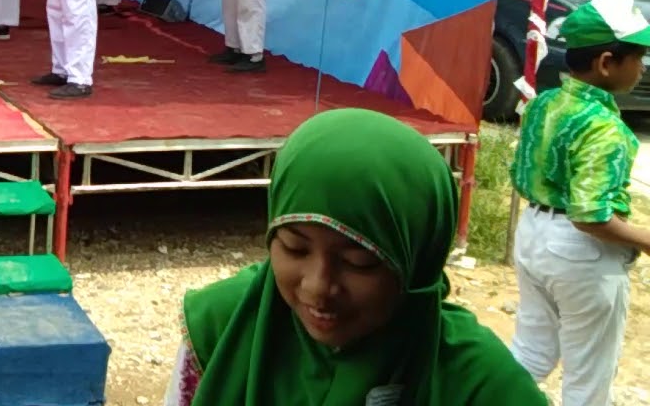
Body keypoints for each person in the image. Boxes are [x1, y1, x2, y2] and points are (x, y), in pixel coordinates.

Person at [166, 108, 549, 406]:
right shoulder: (222, 327)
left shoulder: (479, 384)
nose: (318, 288)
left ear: (417, 262)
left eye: (358, 263)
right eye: (295, 248)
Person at [508, 0, 650, 406]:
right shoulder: (606, 128)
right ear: (607, 63)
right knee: (588, 379)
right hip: (581, 254)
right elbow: (590, 216)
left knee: (529, 354)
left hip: (533, 234)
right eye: (637, 58)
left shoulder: (545, 102)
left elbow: (523, 173)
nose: (642, 68)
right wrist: (644, 238)